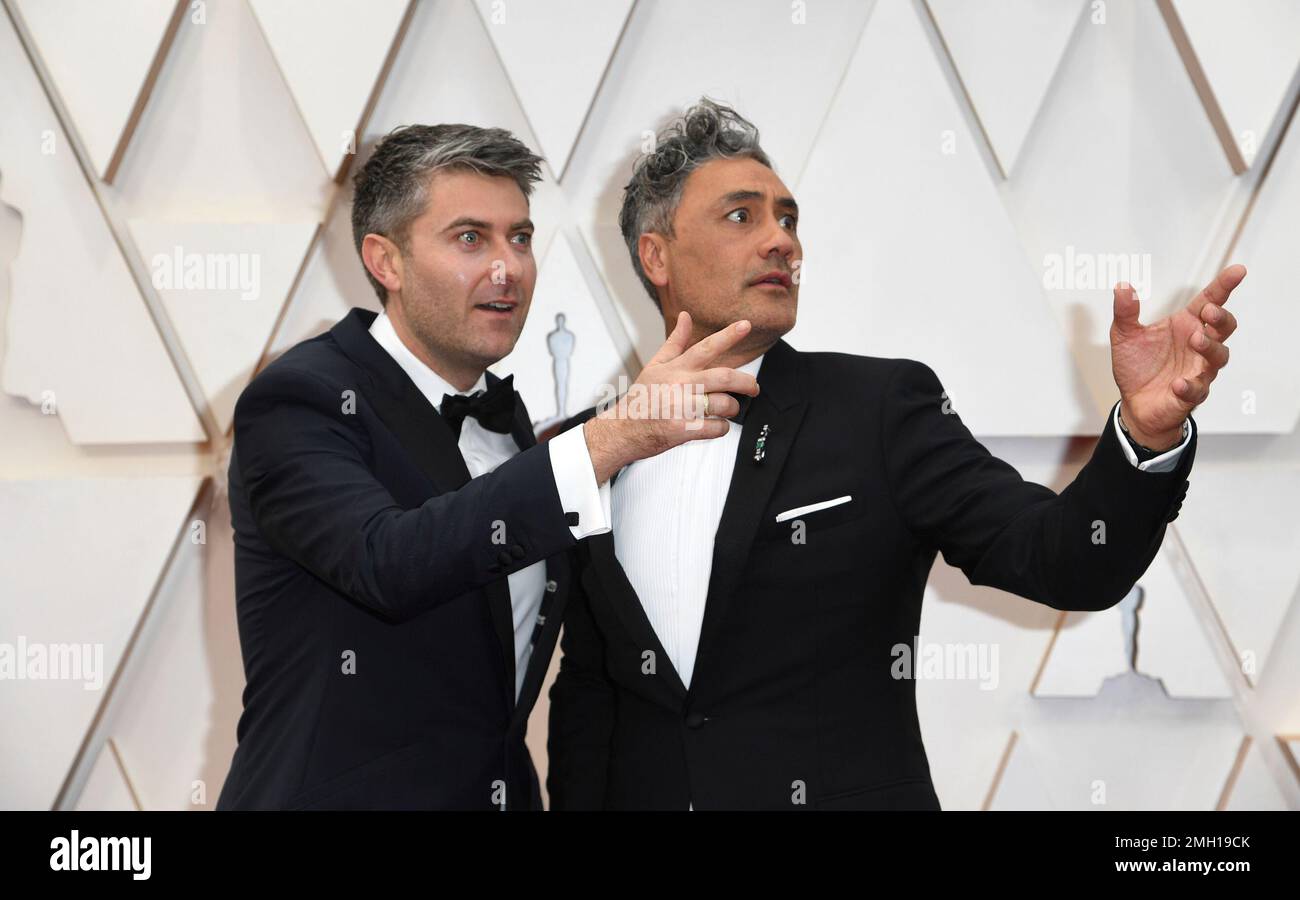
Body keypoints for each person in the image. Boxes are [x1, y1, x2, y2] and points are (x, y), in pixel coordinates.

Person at [547, 99, 1243, 810]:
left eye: (788, 219)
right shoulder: (586, 450)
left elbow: (1068, 559)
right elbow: (589, 693)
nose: (782, 242)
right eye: (742, 216)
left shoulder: (880, 408)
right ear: (655, 255)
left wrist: (1146, 435)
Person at [216, 123, 757, 810]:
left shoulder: (515, 428)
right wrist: (608, 439)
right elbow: (387, 562)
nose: (509, 267)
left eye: (521, 237)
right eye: (471, 238)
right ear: (386, 261)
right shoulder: (303, 399)